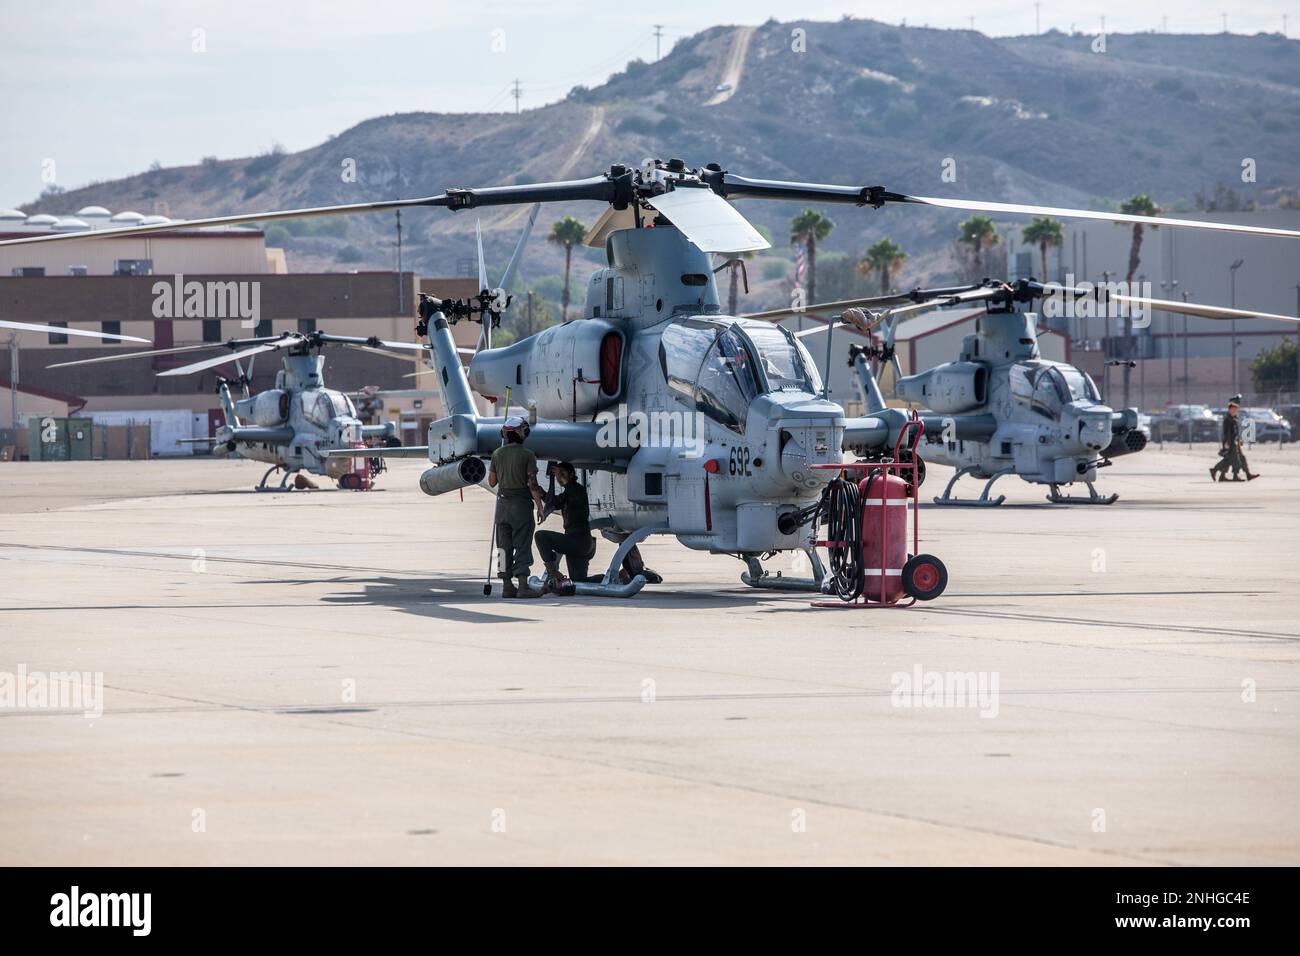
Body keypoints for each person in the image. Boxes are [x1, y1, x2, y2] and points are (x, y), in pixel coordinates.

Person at [489, 417, 546, 598]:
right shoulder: (528, 455)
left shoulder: (497, 454)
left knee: (503, 546)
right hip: (521, 506)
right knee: (522, 545)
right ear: (522, 433)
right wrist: (540, 506)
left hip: (502, 506)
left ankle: (507, 585)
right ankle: (523, 586)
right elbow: (532, 484)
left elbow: (492, 482)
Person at [535, 461, 596, 588]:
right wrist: (542, 494)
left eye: (562, 473)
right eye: (558, 475)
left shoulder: (576, 490)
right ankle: (618, 578)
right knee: (579, 580)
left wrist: (547, 494)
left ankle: (553, 572)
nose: (559, 477)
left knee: (541, 536)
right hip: (581, 542)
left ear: (572, 474)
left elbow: (559, 500)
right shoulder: (570, 492)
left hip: (577, 541)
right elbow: (555, 502)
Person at [1210, 400, 1259, 482]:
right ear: (1230, 410)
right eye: (1233, 409)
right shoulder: (1228, 420)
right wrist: (1226, 442)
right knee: (1234, 459)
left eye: (1236, 409)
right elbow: (1227, 433)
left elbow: (1235, 432)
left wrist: (1239, 439)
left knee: (1239, 458)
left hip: (1235, 442)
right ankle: (1230, 474)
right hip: (1230, 443)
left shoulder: (1234, 419)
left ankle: (1247, 474)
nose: (1235, 411)